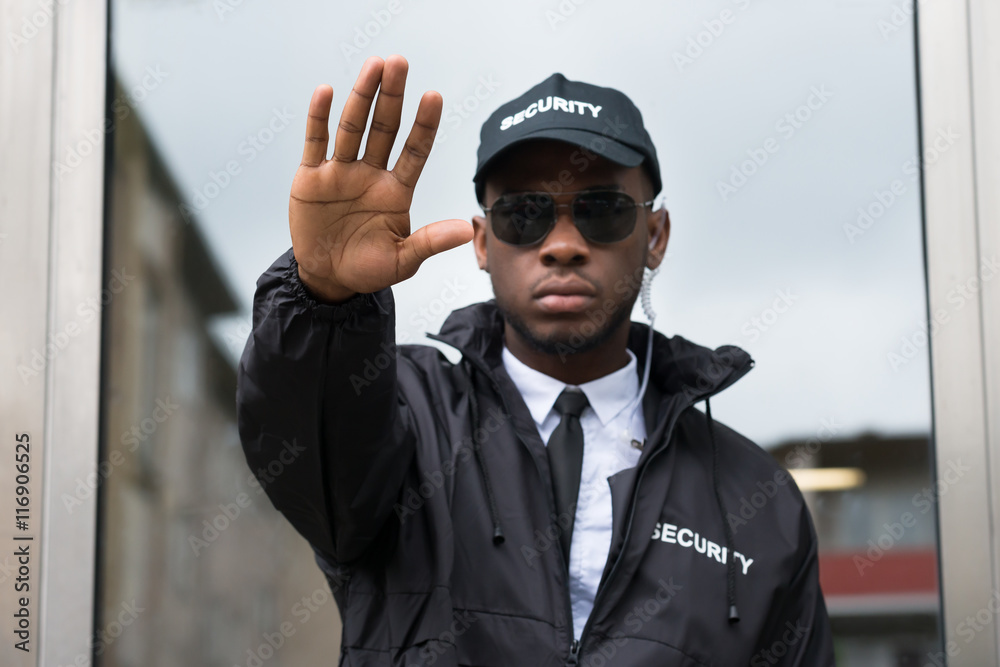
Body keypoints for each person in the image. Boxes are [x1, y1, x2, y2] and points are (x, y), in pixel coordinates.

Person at [236, 54, 835, 666]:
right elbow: (306, 449)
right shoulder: (401, 413)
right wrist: (324, 298)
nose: (564, 245)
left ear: (655, 236)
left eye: (602, 210)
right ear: (481, 242)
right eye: (524, 215)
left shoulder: (757, 500)